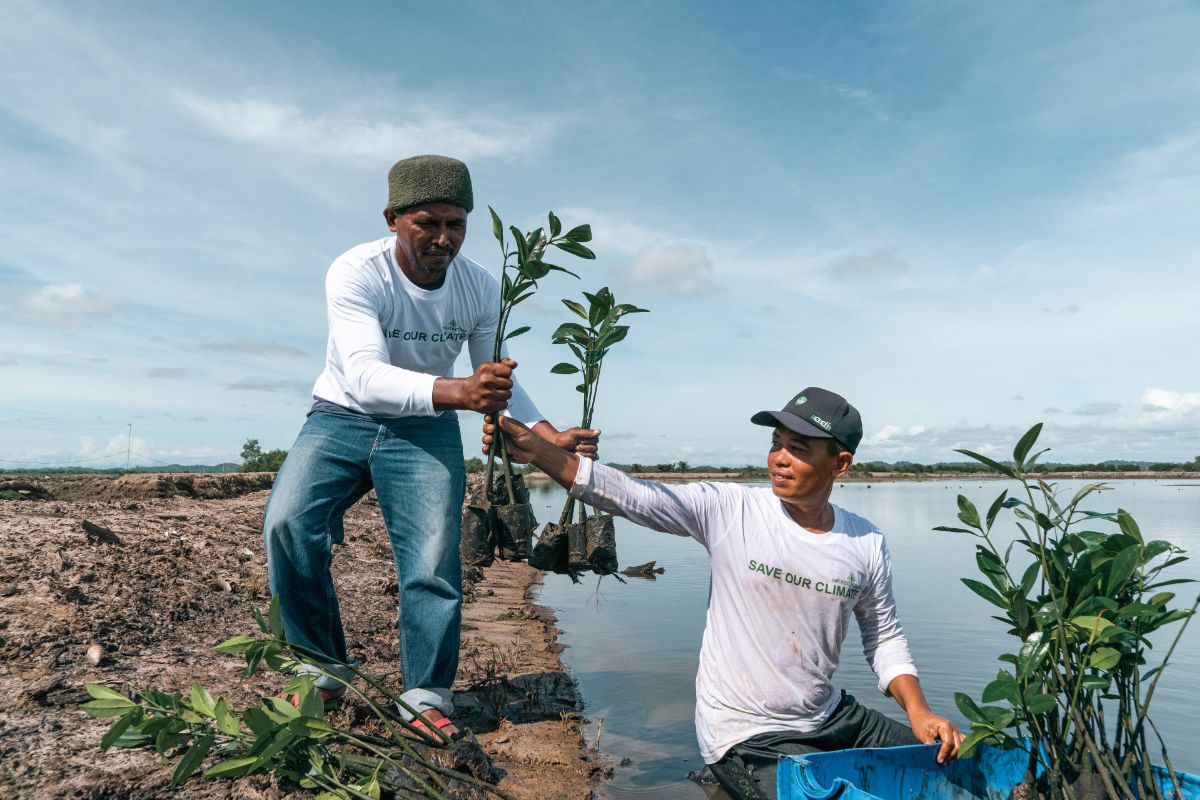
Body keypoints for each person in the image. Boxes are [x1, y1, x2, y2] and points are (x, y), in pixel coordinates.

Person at [484, 386, 963, 798]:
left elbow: (884, 638)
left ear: (840, 463)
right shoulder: (732, 510)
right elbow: (633, 496)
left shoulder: (866, 541)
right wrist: (539, 451)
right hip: (747, 732)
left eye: (799, 447)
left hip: (832, 717)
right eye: (777, 443)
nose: (779, 457)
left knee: (957, 772)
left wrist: (919, 712)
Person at [263, 154, 598, 739]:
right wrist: (461, 391)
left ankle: (425, 690)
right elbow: (365, 375)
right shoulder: (356, 272)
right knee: (288, 524)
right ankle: (321, 669)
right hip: (342, 414)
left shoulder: (479, 287)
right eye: (427, 222)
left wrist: (548, 437)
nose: (444, 238)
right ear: (393, 218)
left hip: (428, 424)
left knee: (433, 560)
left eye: (456, 223)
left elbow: (495, 382)